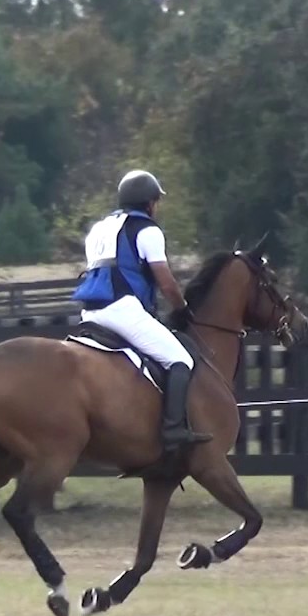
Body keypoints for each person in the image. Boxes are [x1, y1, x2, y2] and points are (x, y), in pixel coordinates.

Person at [71, 169, 212, 452]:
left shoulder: (99, 229)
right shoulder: (147, 230)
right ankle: (173, 430)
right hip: (122, 310)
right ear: (149, 202)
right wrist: (181, 308)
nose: (156, 207)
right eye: (156, 202)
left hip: (90, 313)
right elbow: (165, 281)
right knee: (179, 359)